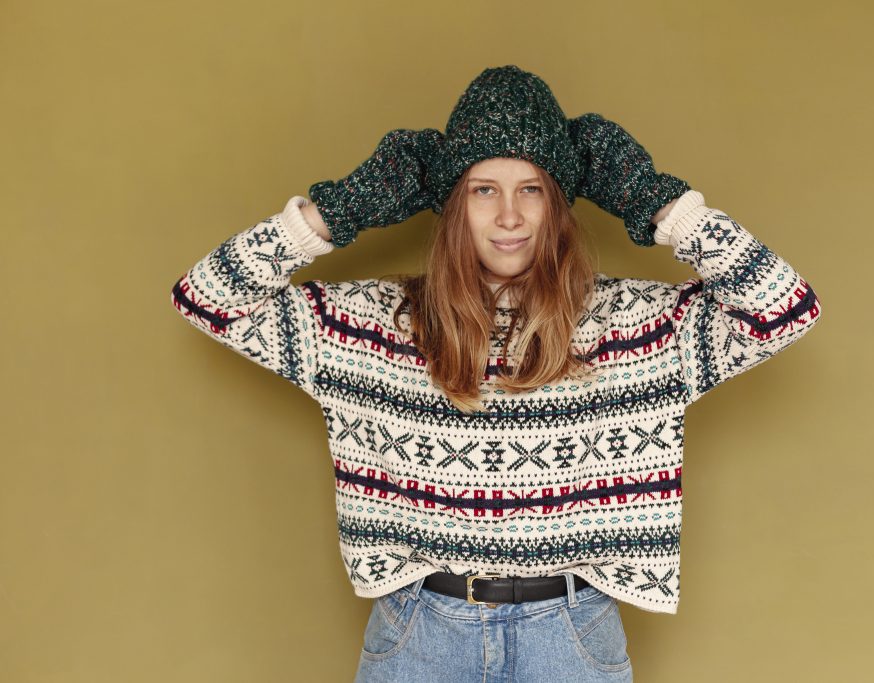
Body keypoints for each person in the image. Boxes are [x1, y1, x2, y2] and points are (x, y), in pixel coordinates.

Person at [170, 65, 822, 682]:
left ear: (557, 204)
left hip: (570, 636)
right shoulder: (371, 323)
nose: (509, 216)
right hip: (419, 633)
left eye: (531, 189)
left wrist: (660, 203)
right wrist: (338, 211)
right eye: (484, 189)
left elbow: (783, 308)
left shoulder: (639, 326)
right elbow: (208, 296)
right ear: (455, 205)